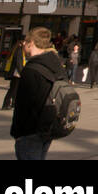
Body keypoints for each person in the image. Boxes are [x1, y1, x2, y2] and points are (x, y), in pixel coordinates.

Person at [10, 27, 67, 160]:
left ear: (31, 43)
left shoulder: (31, 69)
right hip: (48, 126)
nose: (23, 44)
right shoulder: (56, 65)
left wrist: (17, 132)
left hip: (29, 130)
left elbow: (23, 105)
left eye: (25, 41)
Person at [1, 39, 26, 109]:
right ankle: (6, 104)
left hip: (15, 72)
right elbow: (19, 62)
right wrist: (22, 72)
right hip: (17, 73)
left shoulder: (16, 48)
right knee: (13, 89)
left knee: (15, 89)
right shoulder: (19, 50)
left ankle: (13, 103)